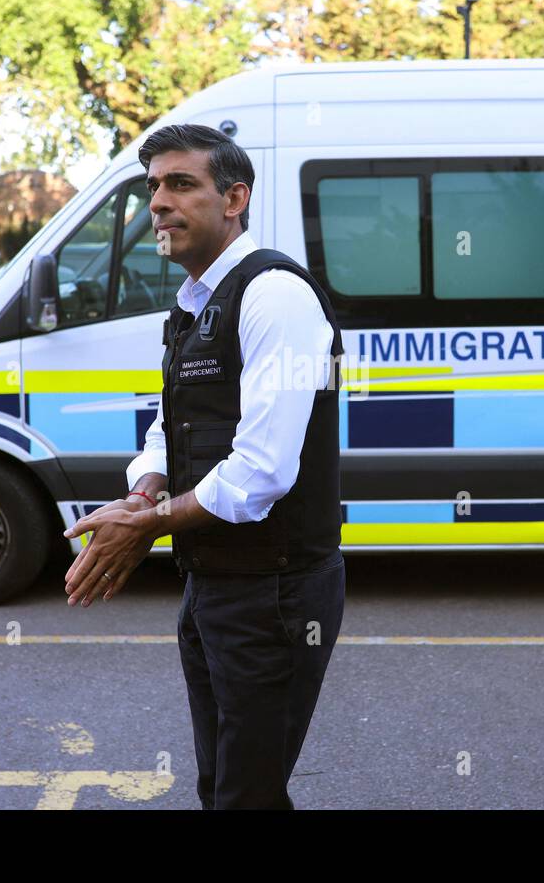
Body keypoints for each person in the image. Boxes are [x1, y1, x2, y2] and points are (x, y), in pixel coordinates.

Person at [62, 123, 346, 809]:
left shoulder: (274, 295)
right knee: (223, 787)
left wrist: (148, 524)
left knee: (244, 794)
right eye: (153, 187)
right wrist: (145, 492)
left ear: (234, 199)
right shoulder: (195, 303)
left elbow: (261, 473)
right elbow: (174, 422)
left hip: (272, 595)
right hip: (215, 585)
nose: (158, 202)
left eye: (180, 184)